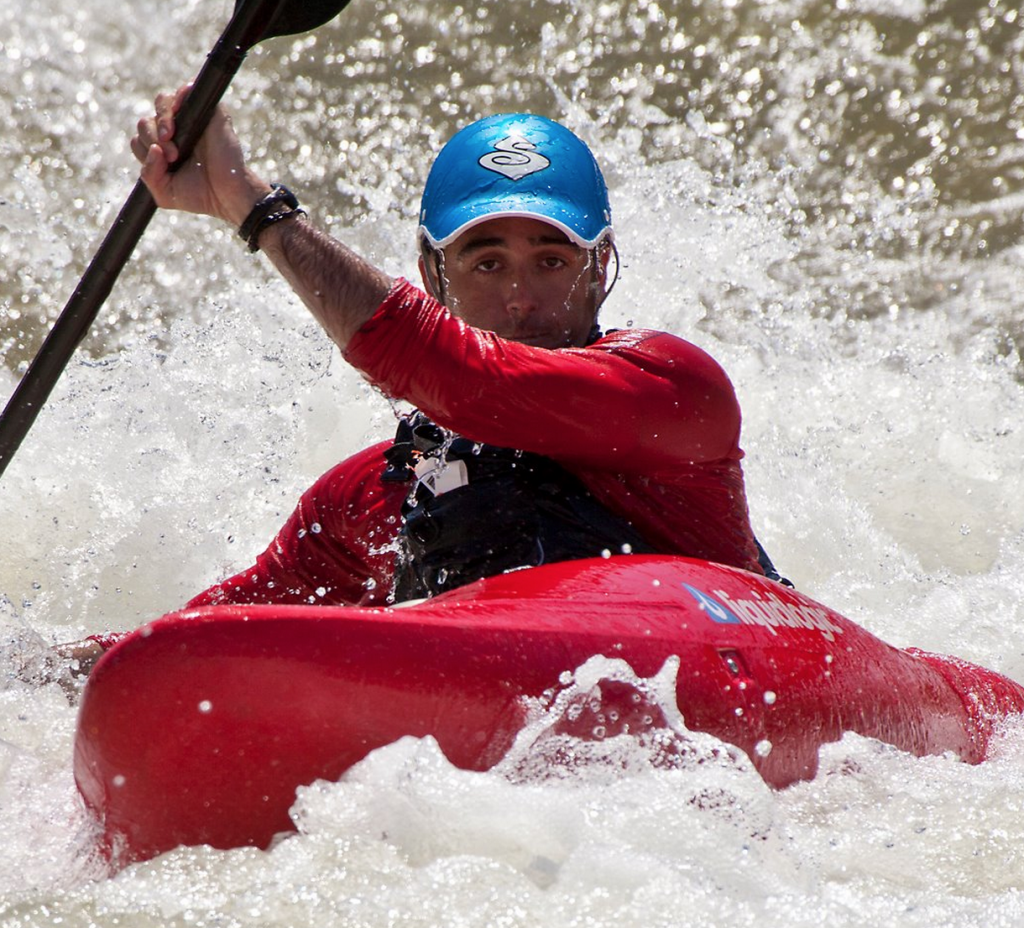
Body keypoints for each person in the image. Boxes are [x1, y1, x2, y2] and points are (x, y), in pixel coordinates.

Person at [59, 85, 779, 675]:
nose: (521, 299)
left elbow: (470, 381)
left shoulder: (670, 394)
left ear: (601, 267)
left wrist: (254, 208)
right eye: (486, 263)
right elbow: (223, 630)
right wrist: (69, 668)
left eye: (552, 261)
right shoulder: (380, 493)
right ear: (434, 272)